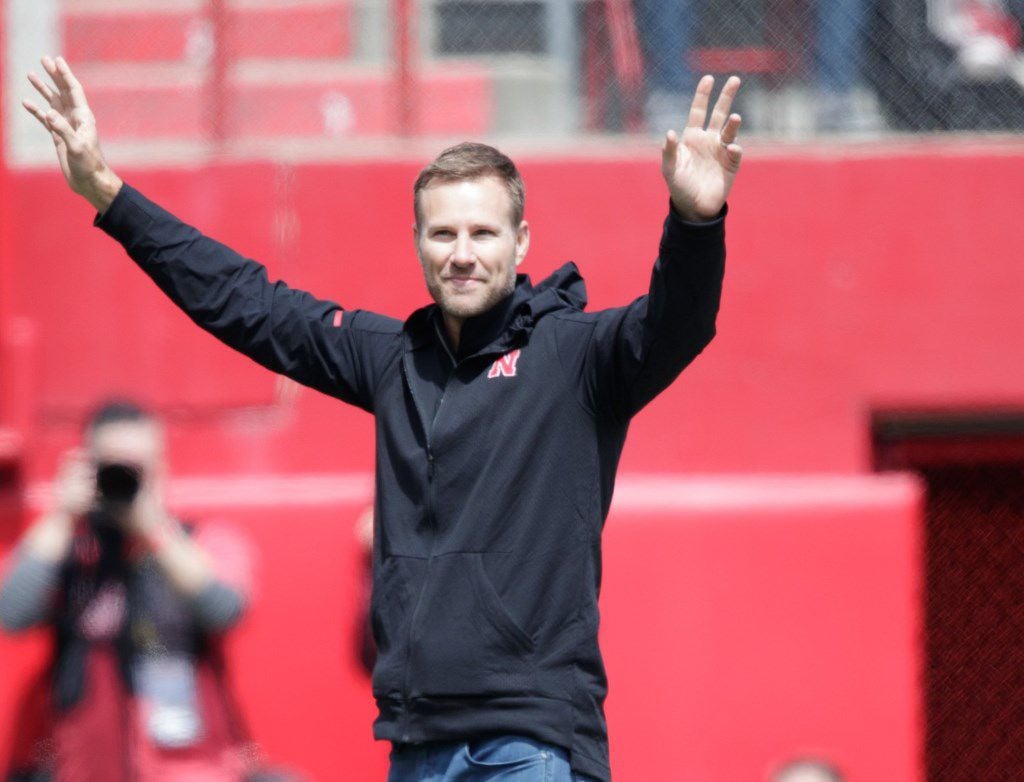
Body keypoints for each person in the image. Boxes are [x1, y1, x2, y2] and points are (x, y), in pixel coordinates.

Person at [20, 55, 743, 781]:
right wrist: (109, 196)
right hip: (416, 744)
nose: (462, 255)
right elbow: (248, 304)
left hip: (532, 742)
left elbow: (678, 324)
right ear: (417, 243)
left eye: (483, 235)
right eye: (443, 235)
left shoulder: (574, 357)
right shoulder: (393, 358)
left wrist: (696, 221)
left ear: (522, 244)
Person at [0, 401, 258, 781]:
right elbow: (11, 613)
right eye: (112, 467)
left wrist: (152, 527)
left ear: (162, 469)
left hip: (192, 769)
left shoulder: (203, 542)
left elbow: (224, 609)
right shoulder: (69, 551)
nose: (124, 479)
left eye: (138, 467)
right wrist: (62, 515)